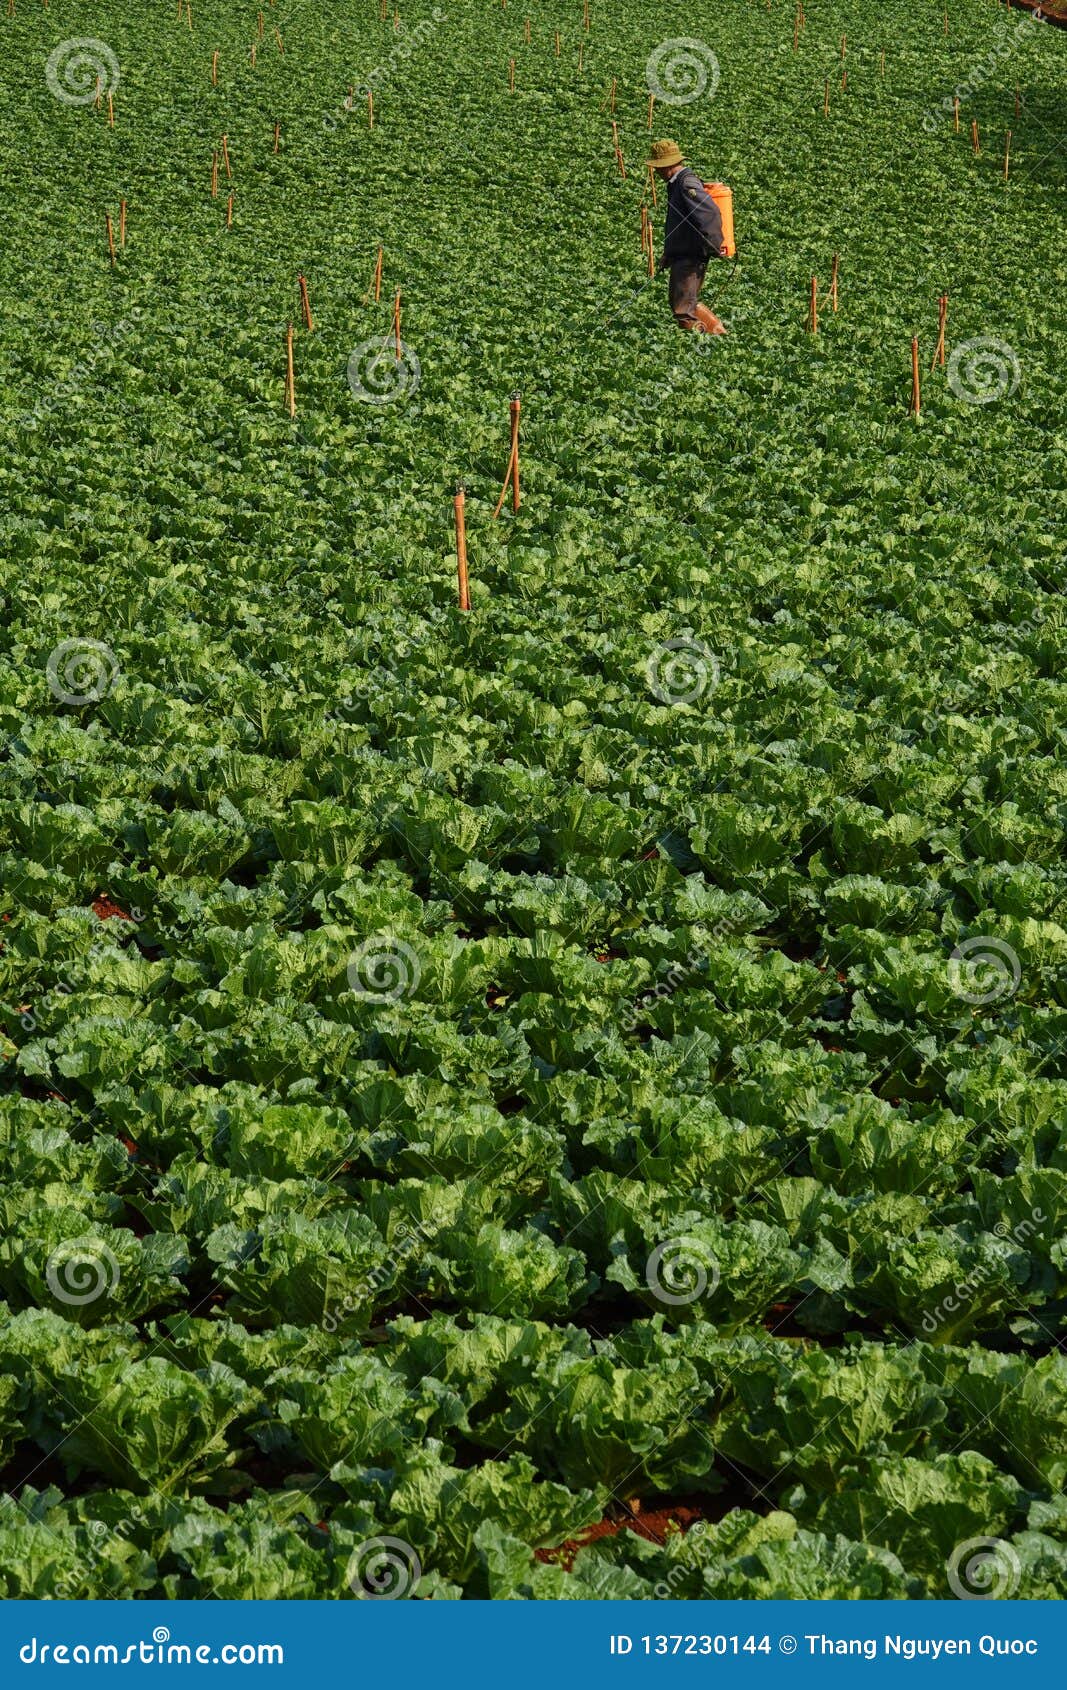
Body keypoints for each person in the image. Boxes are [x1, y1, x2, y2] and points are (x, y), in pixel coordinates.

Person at [647, 139, 728, 334]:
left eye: (658, 168)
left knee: (683, 309)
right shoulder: (676, 184)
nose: (656, 173)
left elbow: (710, 213)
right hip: (682, 254)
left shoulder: (686, 183)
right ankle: (716, 333)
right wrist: (669, 253)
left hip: (691, 255)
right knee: (680, 300)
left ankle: (705, 341)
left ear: (668, 166)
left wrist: (712, 245)